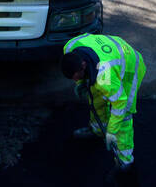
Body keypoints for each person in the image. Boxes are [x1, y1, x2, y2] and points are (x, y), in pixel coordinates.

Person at [62, 34, 146, 174]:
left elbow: (119, 103)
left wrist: (111, 132)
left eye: (77, 77)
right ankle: (97, 130)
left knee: (124, 115)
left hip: (130, 66)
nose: (75, 80)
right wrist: (81, 83)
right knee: (95, 96)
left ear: (83, 66)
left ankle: (125, 161)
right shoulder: (70, 47)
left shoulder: (104, 77)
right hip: (111, 56)